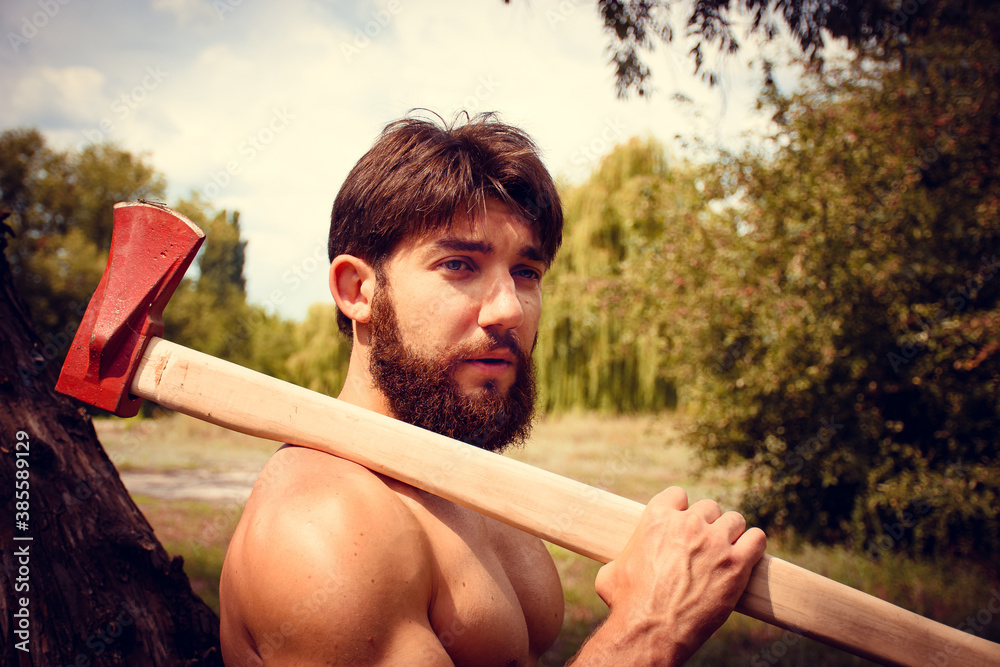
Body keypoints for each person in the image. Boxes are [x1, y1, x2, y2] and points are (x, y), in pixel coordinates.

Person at [219, 112, 766, 666]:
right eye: (459, 265)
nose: (509, 310)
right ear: (358, 290)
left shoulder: (467, 478)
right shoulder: (323, 526)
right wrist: (649, 628)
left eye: (526, 273)